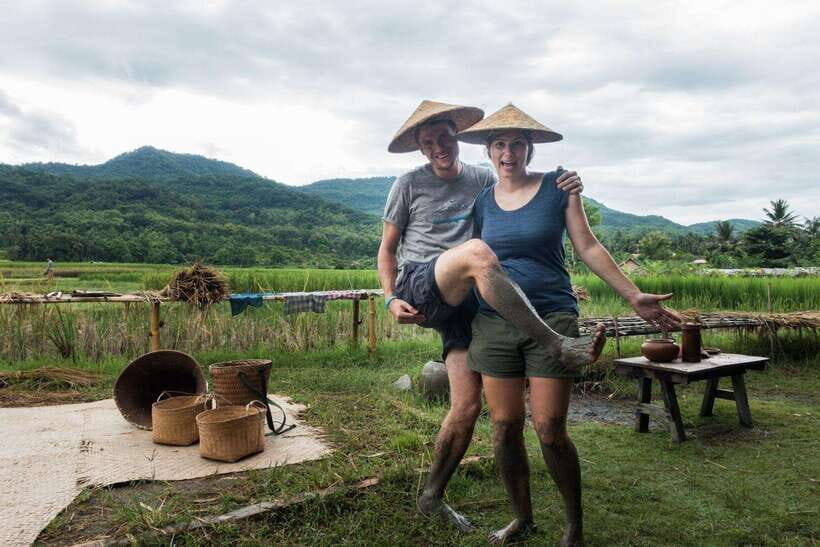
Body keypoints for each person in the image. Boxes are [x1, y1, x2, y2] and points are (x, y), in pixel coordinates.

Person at [457, 104, 682, 545]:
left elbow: (588, 247)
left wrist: (632, 293)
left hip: (554, 319)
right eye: (499, 144)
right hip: (494, 323)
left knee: (549, 429)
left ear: (530, 148)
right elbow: (472, 262)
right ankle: (522, 518)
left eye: (517, 143)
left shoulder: (558, 188)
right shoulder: (482, 202)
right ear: (488, 151)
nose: (508, 152)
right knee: (503, 427)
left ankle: (573, 525)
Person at [379, 100, 599, 532]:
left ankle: (431, 496)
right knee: (479, 253)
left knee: (465, 406)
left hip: (471, 300)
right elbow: (387, 250)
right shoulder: (408, 184)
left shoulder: (484, 180)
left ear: (457, 139)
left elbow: (520, 187)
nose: (438, 147)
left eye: (444, 138)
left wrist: (566, 183)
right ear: (421, 150)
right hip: (426, 282)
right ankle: (555, 342)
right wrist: (389, 298)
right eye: (428, 143)